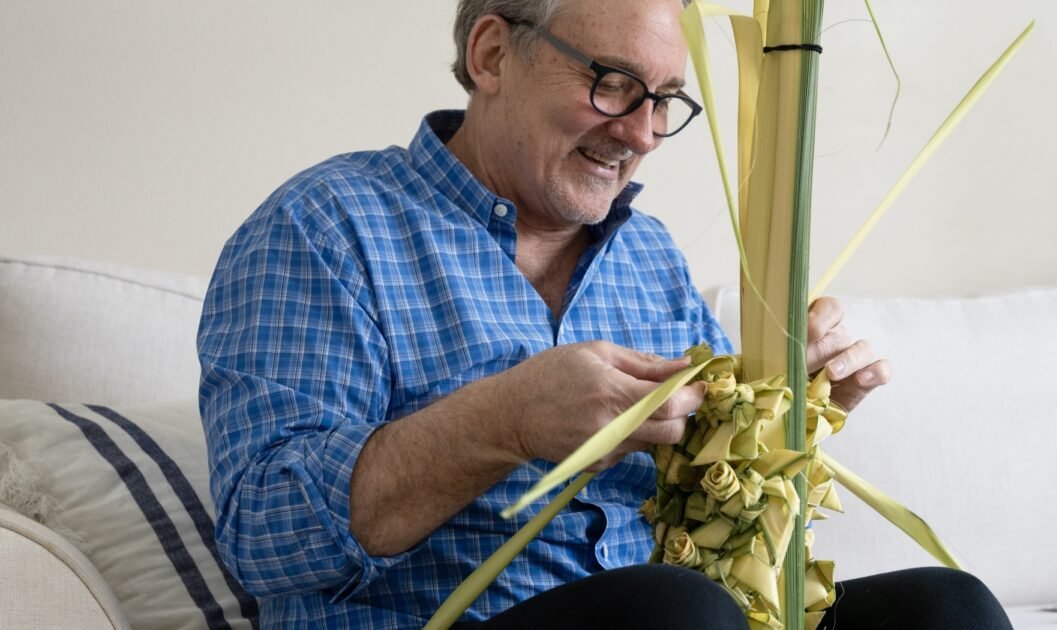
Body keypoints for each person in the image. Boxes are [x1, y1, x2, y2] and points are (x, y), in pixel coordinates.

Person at [197, 0, 1012, 628]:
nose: (644, 133)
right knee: (677, 612)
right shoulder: (325, 226)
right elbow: (260, 534)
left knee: (948, 609)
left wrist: (780, 421)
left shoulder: (647, 256)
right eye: (614, 83)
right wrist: (504, 420)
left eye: (665, 101)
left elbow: (713, 508)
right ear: (491, 55)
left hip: (680, 616)